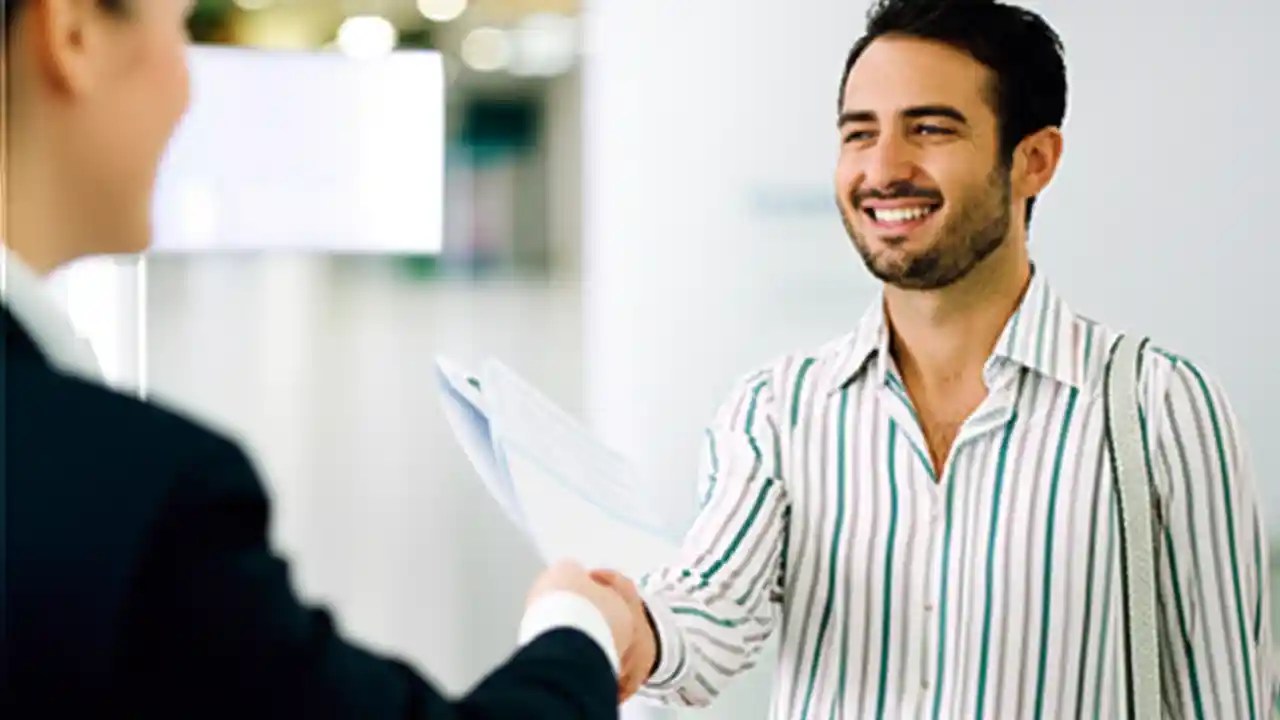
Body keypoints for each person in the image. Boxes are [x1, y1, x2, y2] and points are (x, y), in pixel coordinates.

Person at [591, 0, 1278, 718]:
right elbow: (707, 612)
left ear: (1033, 160)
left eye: (929, 128)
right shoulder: (777, 411)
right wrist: (625, 627)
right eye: (860, 134)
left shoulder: (1159, 408)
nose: (884, 169)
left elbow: (1226, 700)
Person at [1, 1, 632, 717]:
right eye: (182, 28)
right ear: (73, 34)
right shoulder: (130, 491)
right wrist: (579, 631)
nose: (189, 87)